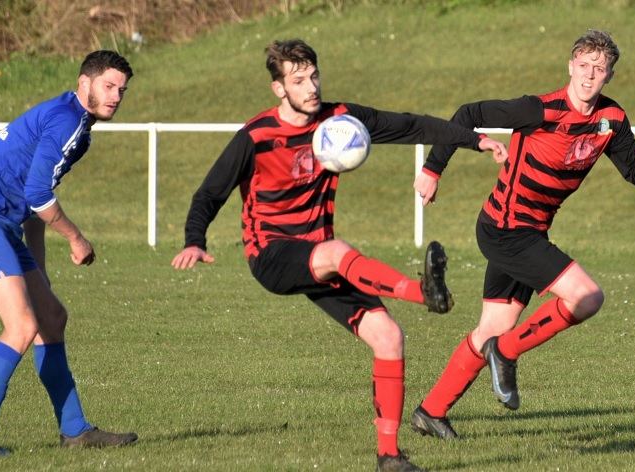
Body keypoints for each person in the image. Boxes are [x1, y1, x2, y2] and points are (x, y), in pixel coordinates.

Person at [171, 39, 507, 472]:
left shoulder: (341, 120)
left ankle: (389, 455)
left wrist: (473, 141)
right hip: (271, 255)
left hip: (320, 255)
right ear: (279, 89)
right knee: (335, 251)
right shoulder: (255, 137)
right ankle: (421, 292)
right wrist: (194, 239)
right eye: (298, 80)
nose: (310, 87)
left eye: (313, 76)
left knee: (388, 337)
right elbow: (209, 193)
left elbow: (409, 126)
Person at [409, 29, 635, 440]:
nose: (589, 75)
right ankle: (507, 353)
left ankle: (430, 411)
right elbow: (466, 114)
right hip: (505, 230)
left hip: (529, 234)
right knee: (587, 297)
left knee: (490, 329)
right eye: (583, 65)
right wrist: (431, 169)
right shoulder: (539, 110)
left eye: (599, 69)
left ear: (609, 77)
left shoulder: (611, 120)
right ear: (570, 67)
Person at [0, 50, 138, 455]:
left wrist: (40, 270)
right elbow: (38, 195)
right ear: (84, 82)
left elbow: (34, 200)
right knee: (21, 326)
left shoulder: (76, 125)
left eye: (121, 89)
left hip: (2, 225)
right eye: (109, 86)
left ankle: (76, 431)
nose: (117, 96)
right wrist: (75, 238)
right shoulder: (68, 121)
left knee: (51, 317)